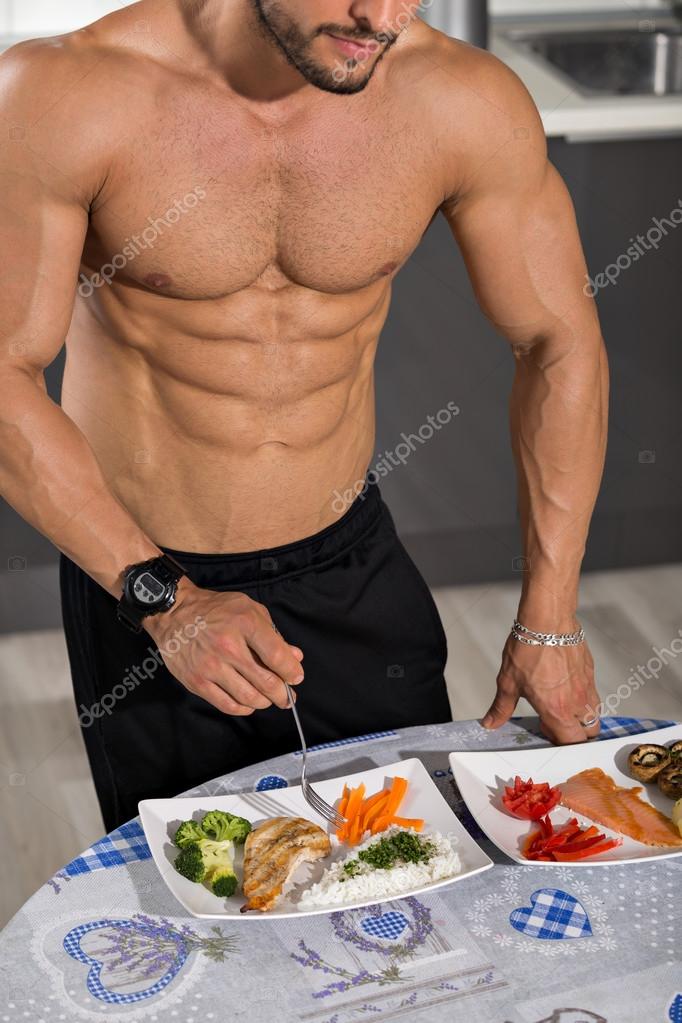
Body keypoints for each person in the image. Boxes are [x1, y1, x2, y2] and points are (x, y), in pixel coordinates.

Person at [0, 0, 606, 832]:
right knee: (216, 902)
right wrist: (164, 600)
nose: (383, 16)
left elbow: (557, 340)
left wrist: (552, 615)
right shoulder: (65, 93)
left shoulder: (457, 98)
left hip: (351, 563)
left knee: (415, 867)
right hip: (147, 577)